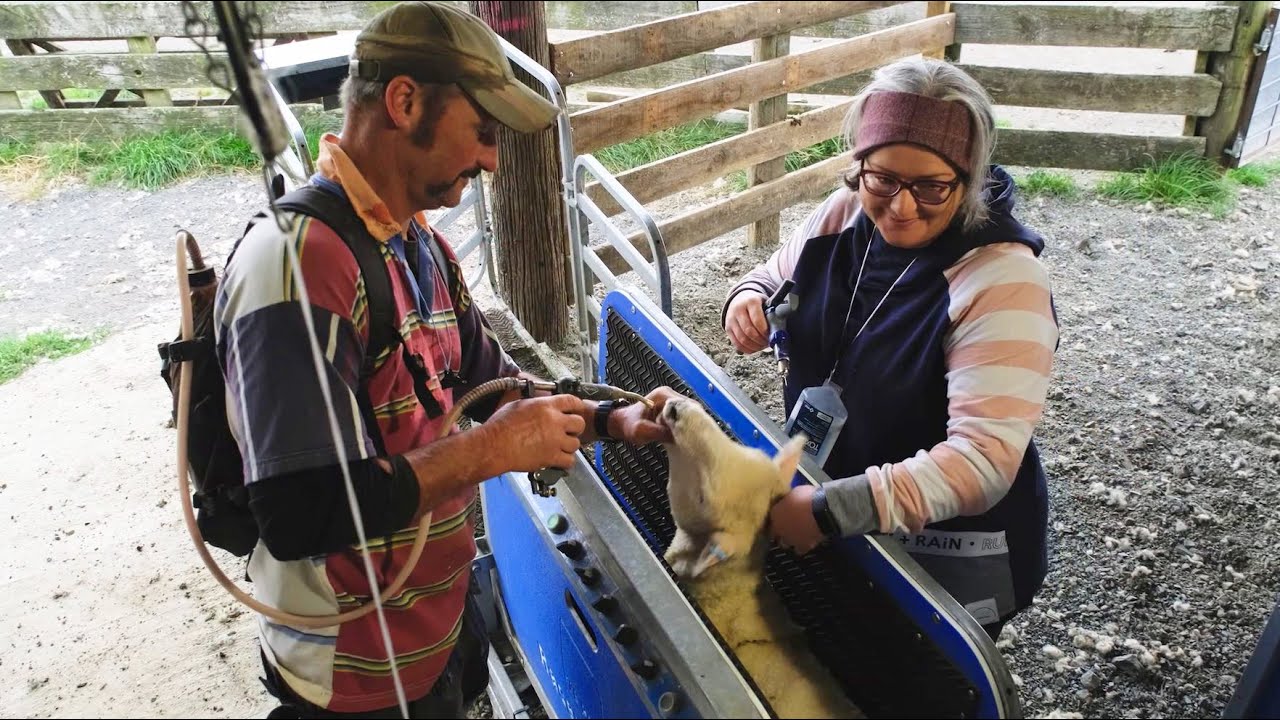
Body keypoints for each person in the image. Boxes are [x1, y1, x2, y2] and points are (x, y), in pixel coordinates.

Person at [214, 3, 675, 717]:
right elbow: (301, 511)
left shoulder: (418, 245)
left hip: (437, 626)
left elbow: (489, 384)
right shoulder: (298, 265)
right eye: (482, 132)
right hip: (355, 676)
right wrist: (487, 452)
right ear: (404, 102)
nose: (492, 159)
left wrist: (613, 421)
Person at [722, 57, 1059, 641]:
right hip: (834, 510)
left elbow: (982, 463)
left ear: (970, 177)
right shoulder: (844, 213)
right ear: (858, 166)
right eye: (882, 178)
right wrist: (748, 298)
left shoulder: (1003, 282)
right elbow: (774, 274)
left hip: (942, 545)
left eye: (932, 186)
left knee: (920, 675)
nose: (901, 207)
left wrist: (833, 510)